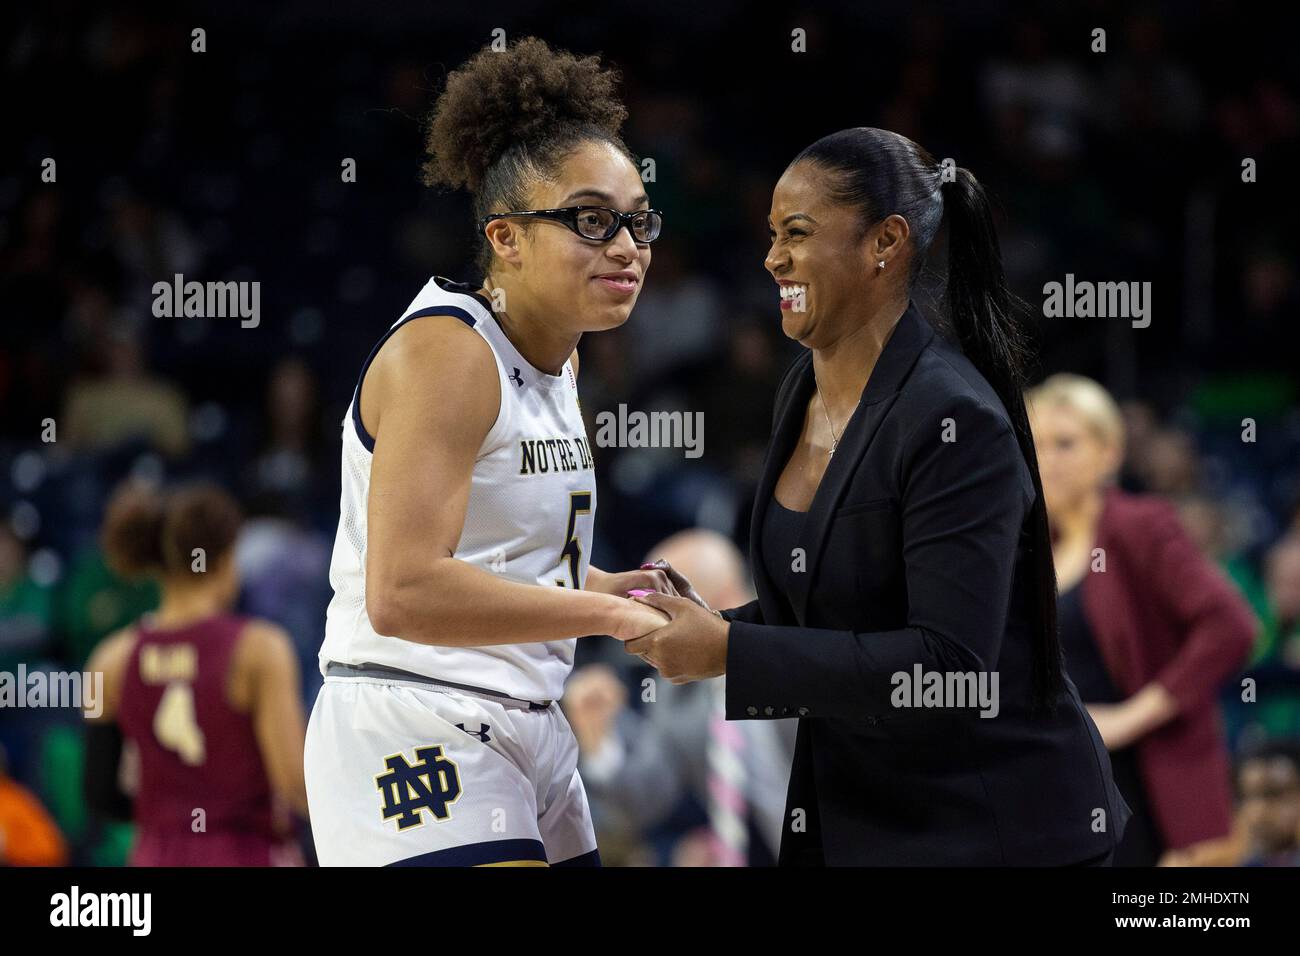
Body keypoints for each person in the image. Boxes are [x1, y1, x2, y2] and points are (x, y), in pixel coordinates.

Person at [625, 127, 1131, 865]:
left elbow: (948, 668)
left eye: (796, 233)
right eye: (771, 235)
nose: (772, 258)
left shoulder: (955, 418)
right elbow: (841, 604)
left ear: (885, 244)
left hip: (992, 829)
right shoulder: (802, 387)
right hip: (864, 819)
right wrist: (704, 624)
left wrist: (733, 652)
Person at [303, 37, 673, 868]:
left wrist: (626, 587)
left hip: (531, 718)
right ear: (505, 237)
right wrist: (611, 617)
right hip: (416, 712)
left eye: (637, 219)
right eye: (590, 220)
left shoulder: (560, 352)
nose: (626, 245)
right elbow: (402, 591)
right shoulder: (449, 354)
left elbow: (509, 566)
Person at [1027, 373, 1258, 864]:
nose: (1047, 461)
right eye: (1037, 444)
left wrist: (1132, 716)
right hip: (1064, 784)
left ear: (1109, 453)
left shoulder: (1138, 526)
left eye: (1066, 444)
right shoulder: (1030, 549)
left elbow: (1231, 626)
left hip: (1144, 785)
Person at [84, 481, 308, 866]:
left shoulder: (107, 660)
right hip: (245, 851)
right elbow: (295, 786)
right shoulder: (260, 648)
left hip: (156, 853)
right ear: (222, 561)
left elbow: (100, 793)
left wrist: (170, 816)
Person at [563, 530, 797, 866]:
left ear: (725, 596)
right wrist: (599, 738)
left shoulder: (796, 651)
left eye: (664, 609)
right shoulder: (678, 693)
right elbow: (647, 798)